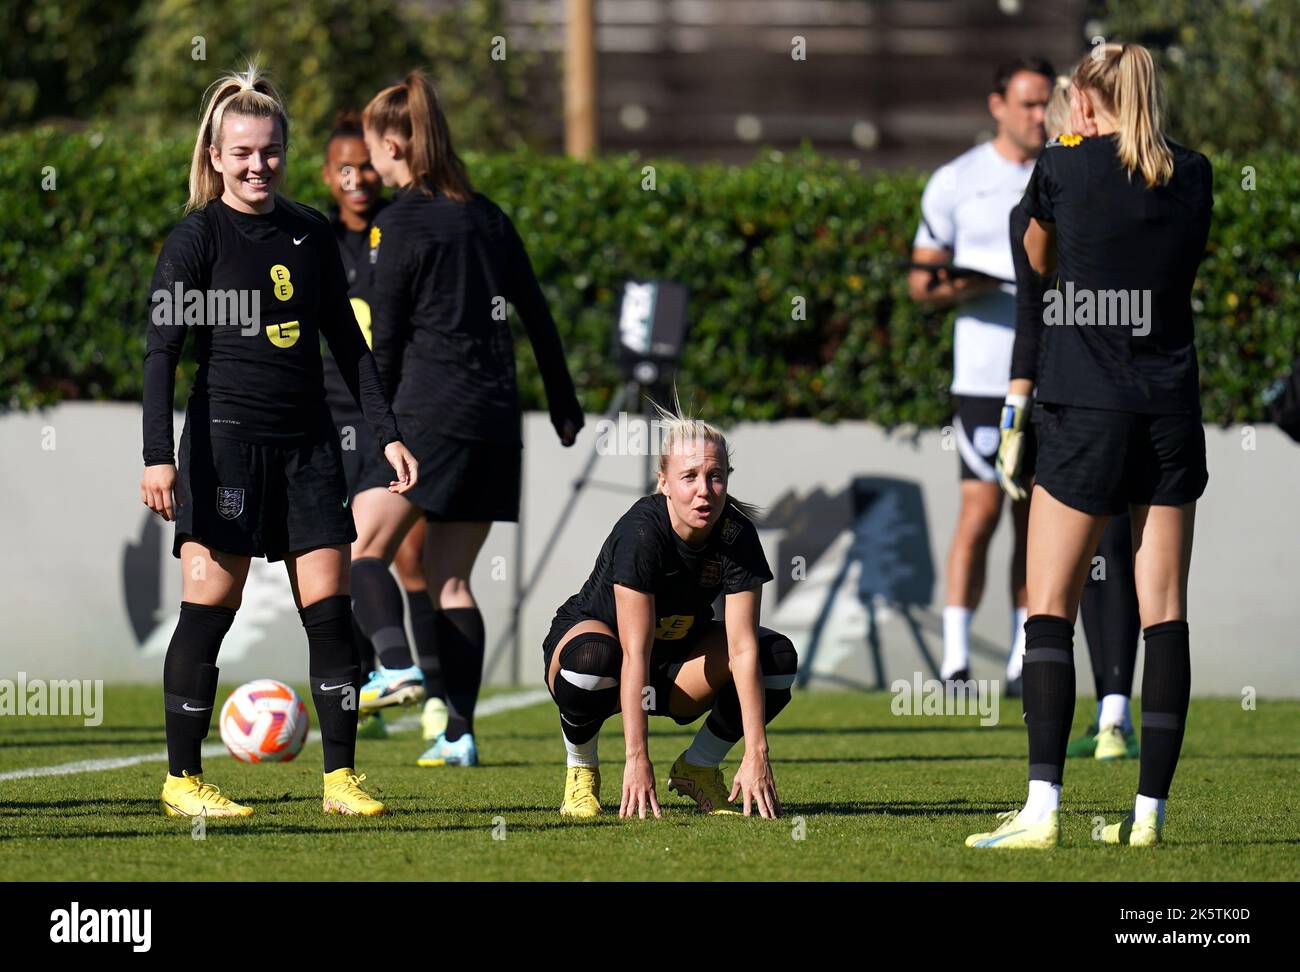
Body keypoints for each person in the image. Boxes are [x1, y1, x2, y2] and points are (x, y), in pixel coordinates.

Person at [141, 65, 418, 818]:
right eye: (242, 153)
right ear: (215, 157)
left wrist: (386, 434)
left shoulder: (310, 233)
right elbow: (161, 350)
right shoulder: (196, 238)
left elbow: (351, 349)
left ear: (283, 152)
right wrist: (157, 455)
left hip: (307, 449)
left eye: (268, 150)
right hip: (224, 444)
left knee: (328, 611)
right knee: (209, 609)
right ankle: (182, 782)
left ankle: (340, 781)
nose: (257, 164)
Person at [968, 43, 1213, 849]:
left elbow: (1036, 262)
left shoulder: (1064, 166)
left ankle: (1041, 811)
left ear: (1084, 100)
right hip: (1171, 409)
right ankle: (1148, 819)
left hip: (1083, 406)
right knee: (1166, 613)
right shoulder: (1196, 173)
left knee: (1049, 607)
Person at [349, 70, 585, 768]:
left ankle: (393, 665)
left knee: (361, 550)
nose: (367, 163)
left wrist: (379, 427)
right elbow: (537, 317)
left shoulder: (397, 224)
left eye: (372, 149)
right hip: (493, 424)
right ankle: (458, 733)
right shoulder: (488, 216)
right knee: (452, 581)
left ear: (395, 143)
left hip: (428, 414)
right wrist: (564, 404)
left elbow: (384, 341)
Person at [542, 404, 797, 819]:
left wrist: (757, 753)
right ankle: (582, 770)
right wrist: (636, 758)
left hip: (675, 665)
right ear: (663, 482)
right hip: (609, 663)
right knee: (593, 662)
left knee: (777, 659)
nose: (704, 490)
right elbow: (635, 652)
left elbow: (744, 650)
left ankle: (699, 765)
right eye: (690, 476)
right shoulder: (642, 532)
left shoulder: (736, 536)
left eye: (715, 476)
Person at [998, 77, 1142, 760]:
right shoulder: (1138, 190)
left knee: (1066, 571)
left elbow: (1031, 320)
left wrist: (1014, 412)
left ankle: (1057, 772)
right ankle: (1115, 714)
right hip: (1136, 395)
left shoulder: (1045, 202)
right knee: (1114, 559)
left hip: (1067, 399)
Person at [908, 57, 1054, 690]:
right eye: (1027, 104)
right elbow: (921, 280)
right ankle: (955, 661)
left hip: (1054, 373)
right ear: (997, 105)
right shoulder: (955, 180)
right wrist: (962, 285)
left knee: (1037, 518)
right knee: (980, 514)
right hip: (983, 377)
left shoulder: (1067, 172)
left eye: (1047, 102)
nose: (1039, 116)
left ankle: (1027, 657)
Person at [318, 110, 447, 743]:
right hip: (325, 425)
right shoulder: (314, 244)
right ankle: (363, 686)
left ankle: (433, 695)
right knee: (334, 555)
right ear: (327, 174)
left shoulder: (396, 234)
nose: (359, 177)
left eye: (367, 164)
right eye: (346, 167)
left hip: (388, 420)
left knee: (407, 556)